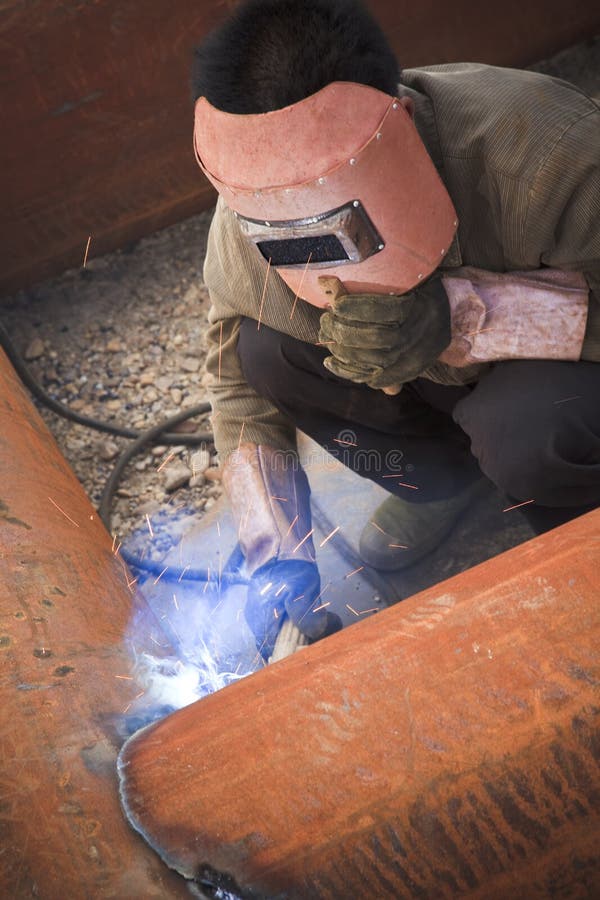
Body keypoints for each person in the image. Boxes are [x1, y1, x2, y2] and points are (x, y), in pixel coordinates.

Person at [190, 0, 600, 658]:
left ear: (400, 124)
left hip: (559, 390)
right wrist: (277, 564)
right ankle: (447, 485)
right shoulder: (244, 225)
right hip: (443, 401)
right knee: (264, 352)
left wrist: (471, 315)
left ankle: (573, 523)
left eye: (336, 217)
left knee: (523, 431)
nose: (317, 250)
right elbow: (235, 383)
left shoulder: (545, 155)